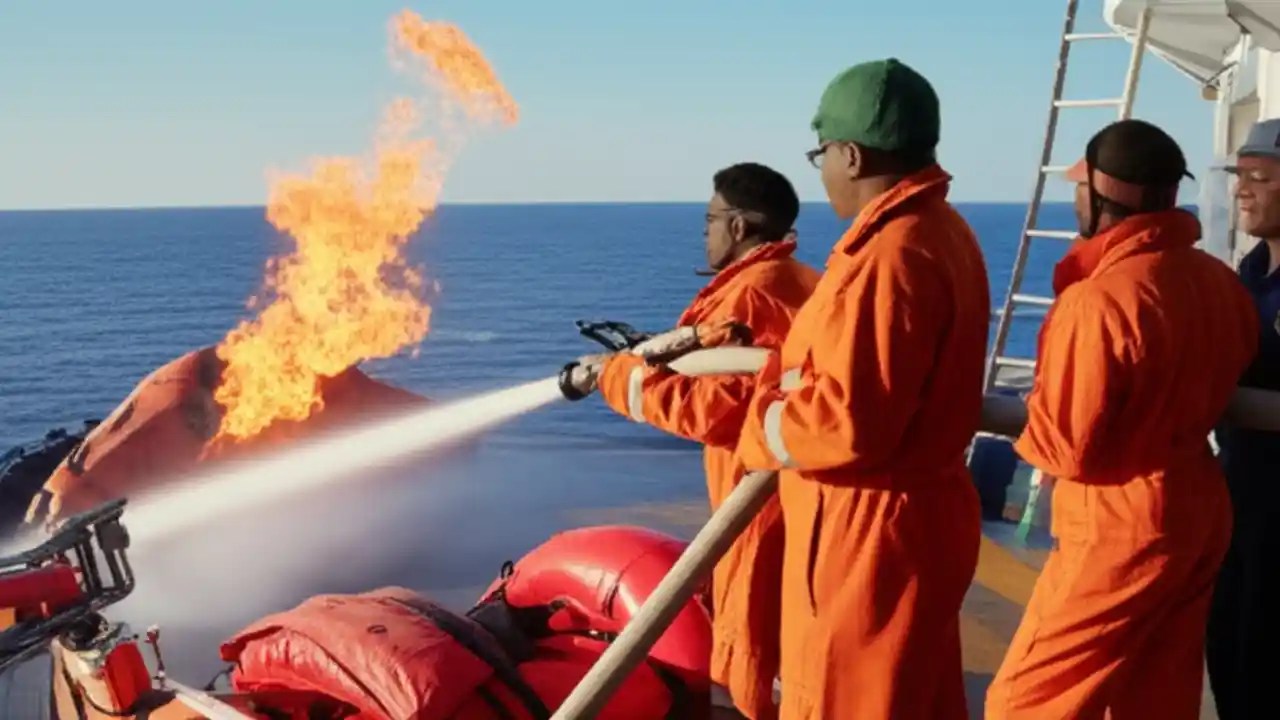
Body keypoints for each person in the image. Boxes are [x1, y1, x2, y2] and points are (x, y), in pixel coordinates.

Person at [732, 58, 989, 719]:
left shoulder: (890, 256)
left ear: (849, 154)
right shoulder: (942, 232)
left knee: (842, 700)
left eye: (821, 155)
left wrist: (758, 423)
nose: (820, 172)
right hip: (916, 521)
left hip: (866, 536)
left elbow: (848, 423)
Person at [984, 119, 1258, 719]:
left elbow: (1065, 446)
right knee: (1155, 695)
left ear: (1102, 194)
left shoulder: (1100, 300)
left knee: (1027, 700)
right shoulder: (1219, 283)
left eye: (1080, 186)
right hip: (1199, 505)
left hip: (1120, 522)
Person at [562, 162, 820, 720]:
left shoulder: (751, 298)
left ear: (740, 226)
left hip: (761, 508)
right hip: (791, 500)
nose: (703, 232)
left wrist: (619, 379)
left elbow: (717, 409)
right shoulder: (796, 281)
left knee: (755, 657)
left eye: (710, 219)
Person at [1207, 117, 1280, 720]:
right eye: (1240, 177)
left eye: (1260, 176)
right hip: (1239, 505)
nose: (1243, 190)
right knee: (1232, 660)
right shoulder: (1249, 276)